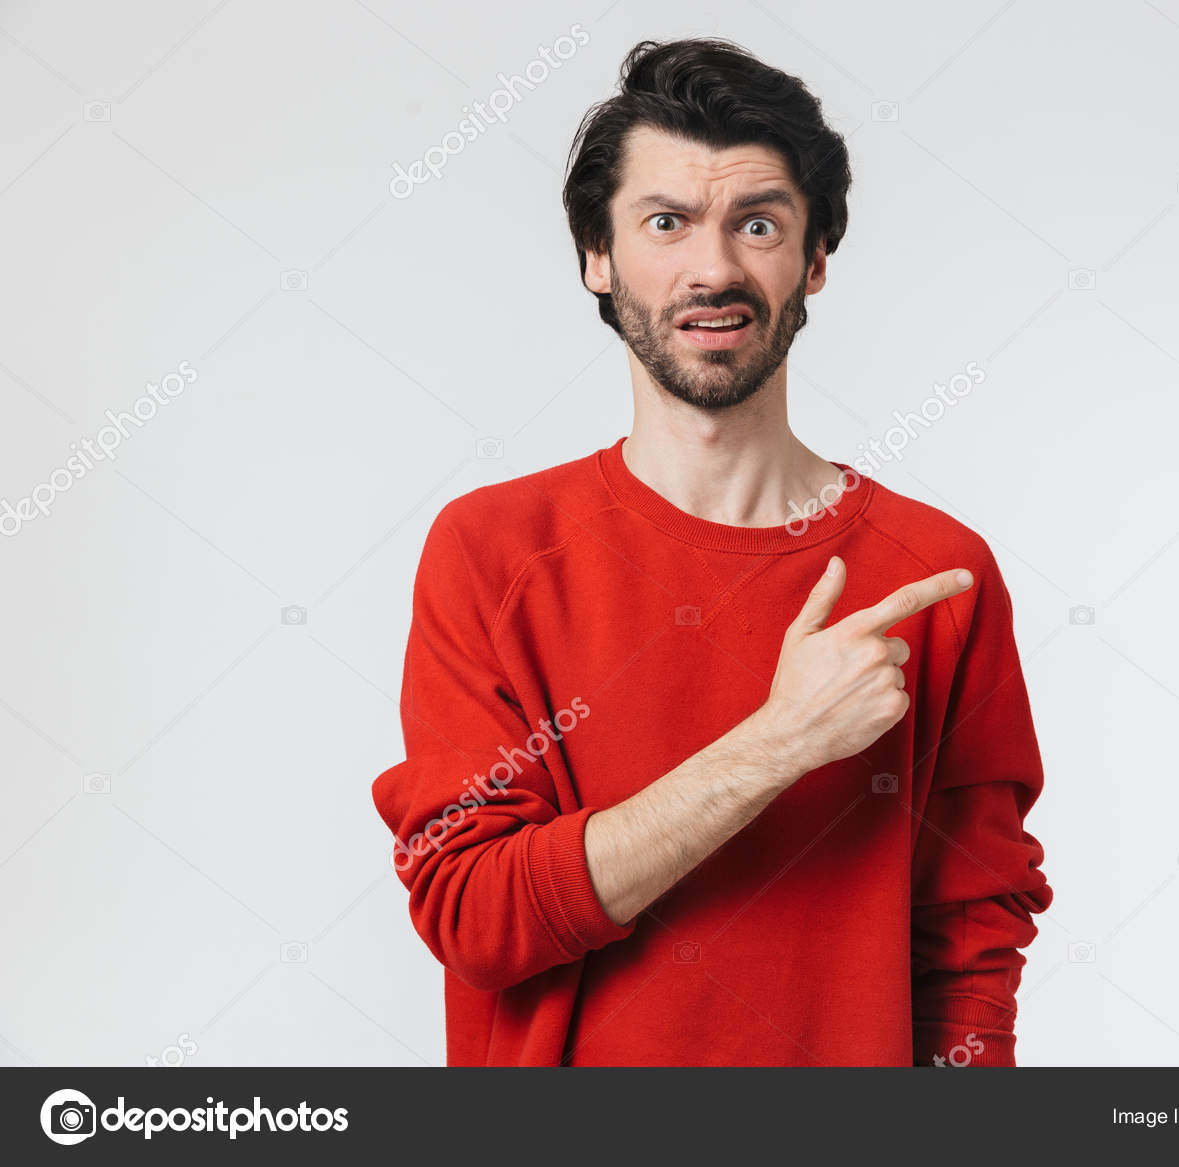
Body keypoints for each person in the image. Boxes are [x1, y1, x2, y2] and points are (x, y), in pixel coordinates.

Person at [371, 36, 1052, 1067]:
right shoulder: (493, 551)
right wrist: (779, 742)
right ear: (597, 258)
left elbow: (970, 945)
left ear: (814, 259)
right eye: (665, 222)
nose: (715, 268)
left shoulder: (934, 572)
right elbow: (476, 916)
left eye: (758, 223)